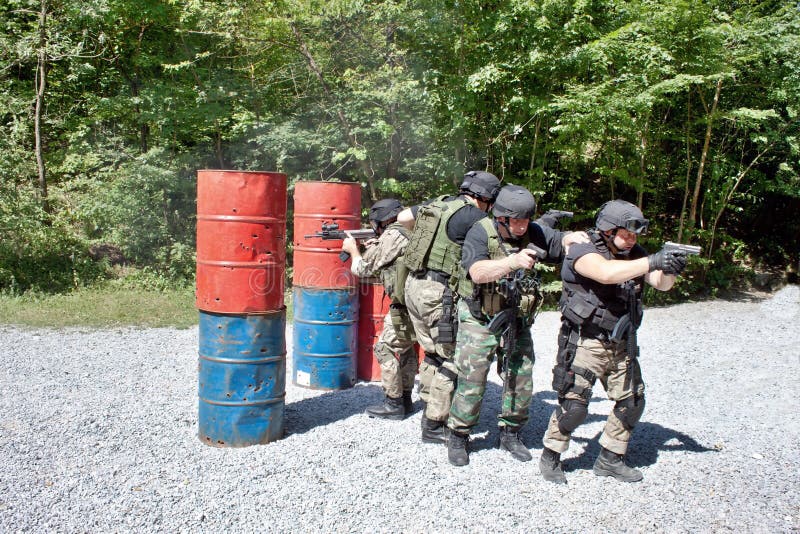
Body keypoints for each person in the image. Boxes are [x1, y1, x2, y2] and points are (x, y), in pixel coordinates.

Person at [539, 199, 688, 484]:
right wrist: (654, 260)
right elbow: (605, 273)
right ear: (607, 230)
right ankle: (551, 455)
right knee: (574, 407)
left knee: (632, 401)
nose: (632, 240)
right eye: (627, 233)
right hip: (586, 342)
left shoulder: (635, 254)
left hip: (621, 343)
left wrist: (671, 268)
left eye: (635, 235)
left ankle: (610, 458)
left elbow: (661, 284)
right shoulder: (582, 249)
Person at [445, 185, 587, 466]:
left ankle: (511, 432)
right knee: (472, 378)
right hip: (480, 317)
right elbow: (477, 272)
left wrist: (572, 238)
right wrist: (511, 262)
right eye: (517, 221)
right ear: (501, 218)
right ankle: (459, 435)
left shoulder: (533, 231)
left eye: (526, 219)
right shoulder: (480, 231)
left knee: (521, 376)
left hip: (516, 317)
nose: (522, 226)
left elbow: (559, 241)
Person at [396, 171, 501, 444]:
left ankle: (429, 405)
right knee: (452, 358)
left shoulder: (438, 204)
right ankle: (435, 423)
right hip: (438, 292)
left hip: (413, 285)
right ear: (486, 198)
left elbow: (403, 217)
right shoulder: (474, 217)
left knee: (432, 352)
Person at [342, 199, 417, 419]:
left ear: (383, 221)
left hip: (406, 304)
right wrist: (373, 246)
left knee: (385, 348)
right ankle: (405, 399)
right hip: (417, 301)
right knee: (406, 347)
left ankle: (394, 404)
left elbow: (363, 269)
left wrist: (353, 251)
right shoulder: (411, 231)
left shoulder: (393, 235)